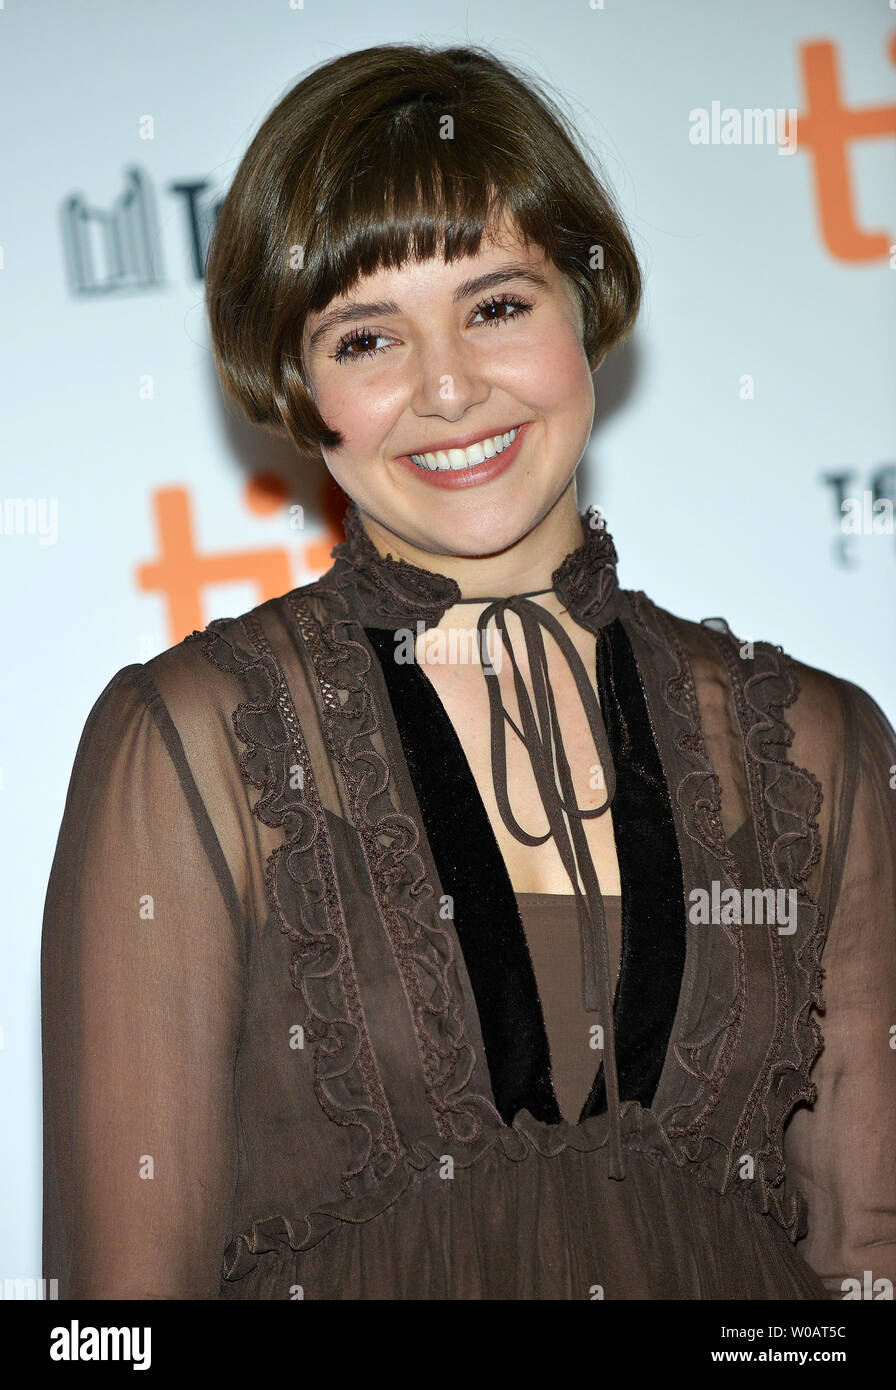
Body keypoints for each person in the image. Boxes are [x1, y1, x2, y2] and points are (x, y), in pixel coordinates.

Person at [41, 41, 896, 1301]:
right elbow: (121, 1310)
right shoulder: (196, 738)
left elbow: (865, 1253)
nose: (447, 388)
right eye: (366, 338)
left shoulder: (812, 742)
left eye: (496, 305)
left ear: (583, 307)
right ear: (294, 383)